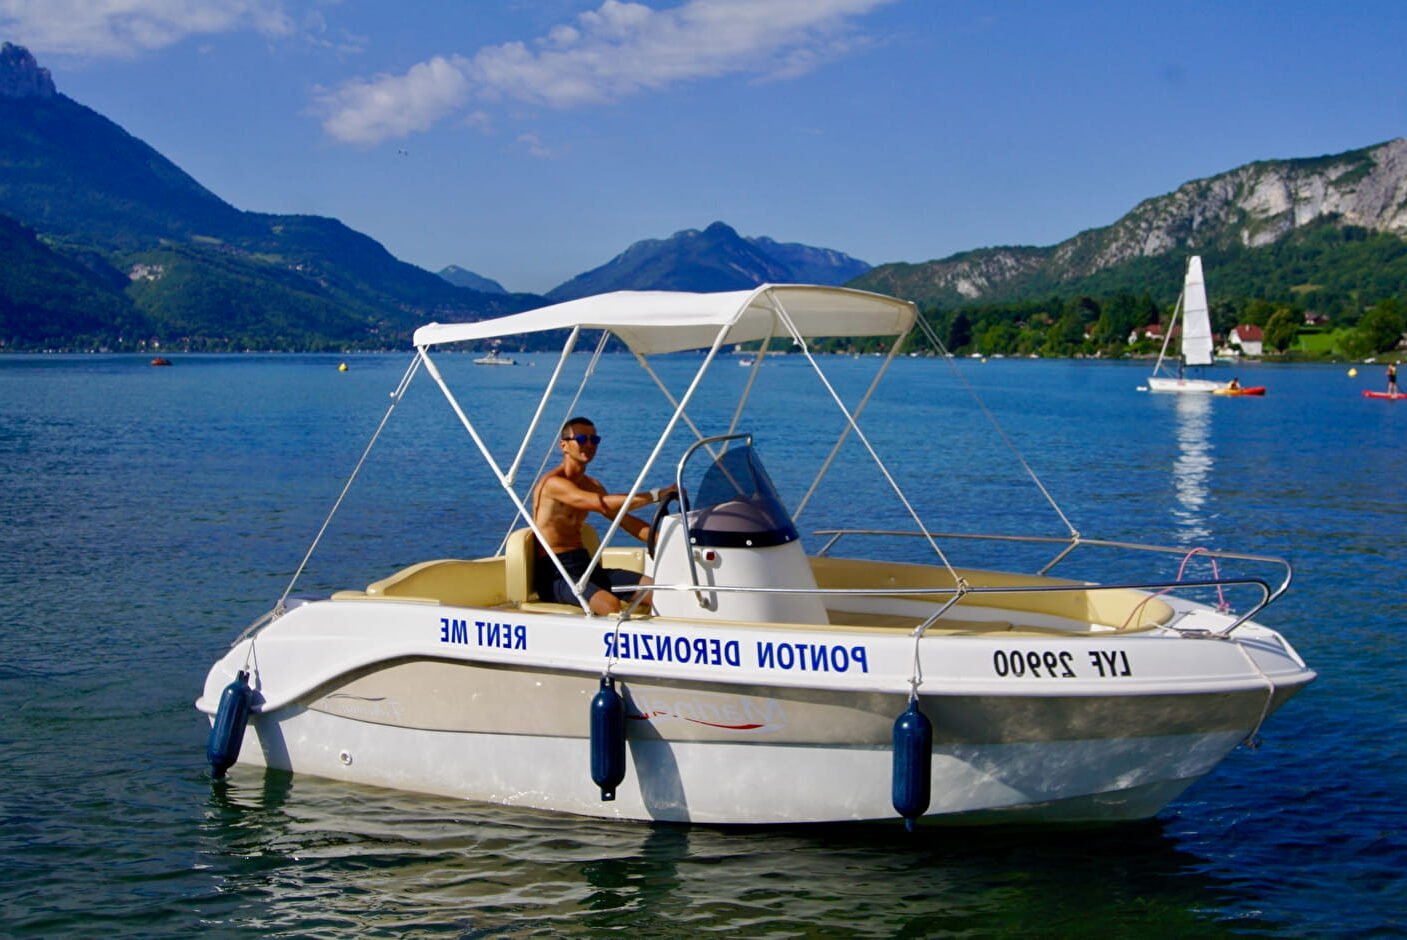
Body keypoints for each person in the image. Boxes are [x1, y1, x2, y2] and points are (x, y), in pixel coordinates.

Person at [532, 417, 677, 615]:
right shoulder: (552, 484)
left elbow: (625, 521)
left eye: (594, 440)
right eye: (582, 439)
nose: (589, 445)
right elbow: (600, 503)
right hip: (555, 572)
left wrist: (667, 541)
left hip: (585, 565)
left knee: (660, 591)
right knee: (609, 605)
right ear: (564, 445)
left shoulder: (593, 486)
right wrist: (654, 495)